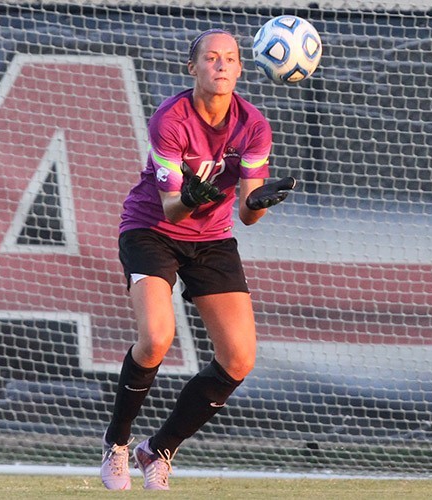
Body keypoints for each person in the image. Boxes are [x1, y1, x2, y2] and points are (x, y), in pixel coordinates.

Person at [101, 28, 296, 491]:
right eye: (211, 58)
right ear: (193, 68)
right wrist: (190, 195)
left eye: (230, 58)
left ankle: (159, 449)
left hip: (211, 239)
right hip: (153, 230)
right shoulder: (170, 119)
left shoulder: (254, 126)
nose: (222, 65)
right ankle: (117, 443)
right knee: (155, 339)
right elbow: (171, 207)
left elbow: (248, 215)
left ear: (242, 68)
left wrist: (259, 199)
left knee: (239, 357)